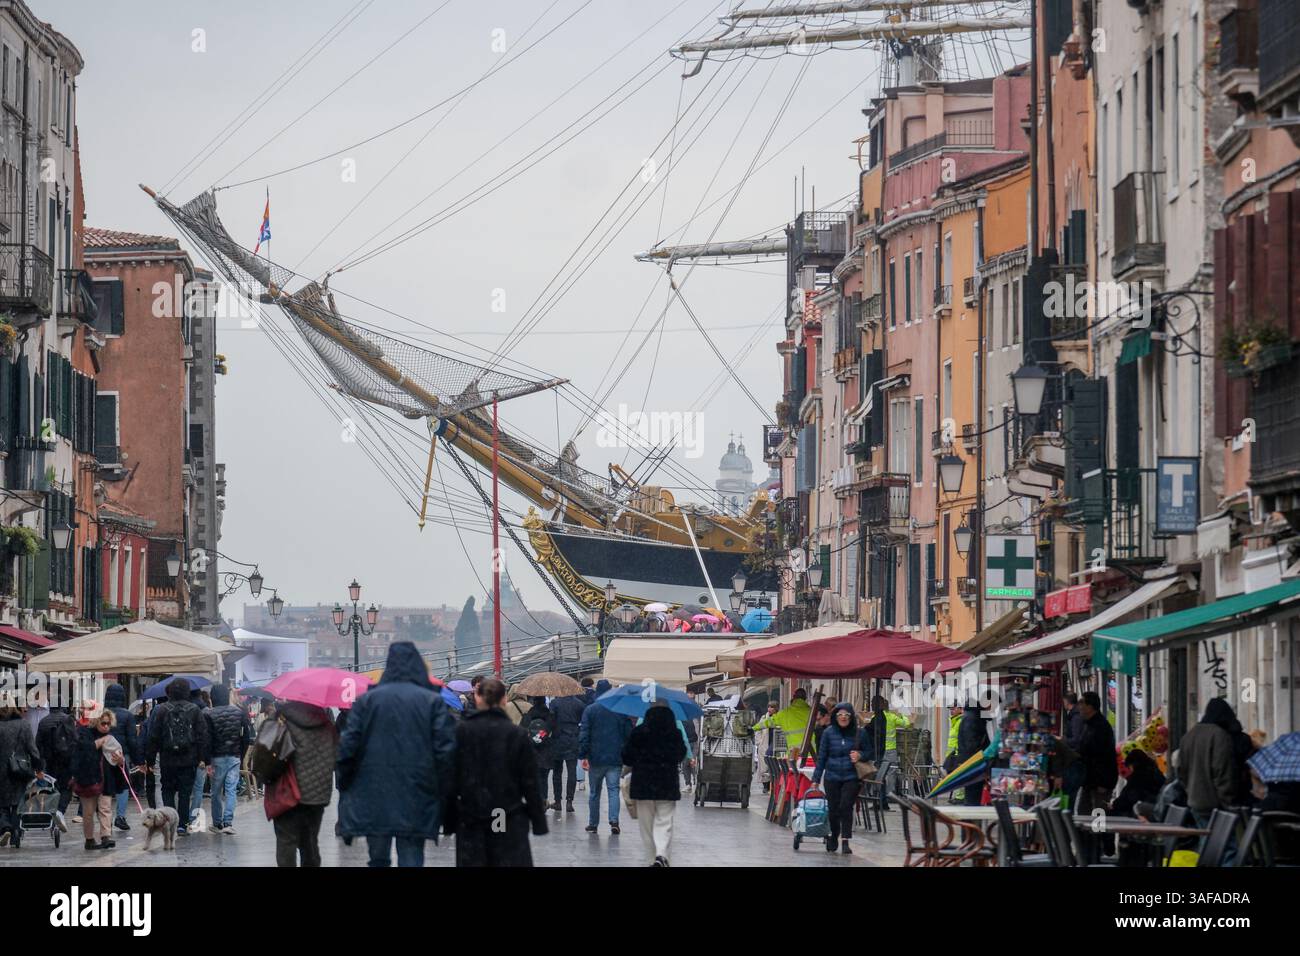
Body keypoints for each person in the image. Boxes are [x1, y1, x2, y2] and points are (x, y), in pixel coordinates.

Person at [337, 641, 456, 868]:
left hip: (374, 791)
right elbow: (445, 754)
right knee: (411, 856)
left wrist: (346, 785)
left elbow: (347, 748)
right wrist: (444, 793)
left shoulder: (366, 702)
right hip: (417, 792)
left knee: (378, 858)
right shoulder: (432, 702)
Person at [450, 677, 548, 866]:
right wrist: (538, 820)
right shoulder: (515, 735)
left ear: (477, 698)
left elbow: (451, 776)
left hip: (471, 814)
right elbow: (529, 780)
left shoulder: (462, 732)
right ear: (504, 699)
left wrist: (448, 818)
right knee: (503, 856)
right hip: (503, 812)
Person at [267, 699, 337, 867]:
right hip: (316, 795)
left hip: (285, 790)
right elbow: (335, 756)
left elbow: (265, 753)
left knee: (286, 842)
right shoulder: (326, 724)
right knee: (310, 843)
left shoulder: (280, 719)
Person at [622, 701, 687, 867]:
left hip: (643, 784)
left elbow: (627, 757)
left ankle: (651, 859)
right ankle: (661, 854)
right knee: (664, 822)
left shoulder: (638, 733)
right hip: (666, 784)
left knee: (646, 825)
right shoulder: (675, 734)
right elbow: (680, 755)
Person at [146, 678, 208, 835]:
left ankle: (169, 821)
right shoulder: (195, 710)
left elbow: (154, 737)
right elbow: (202, 736)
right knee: (185, 793)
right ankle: (182, 825)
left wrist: (150, 760)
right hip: (189, 758)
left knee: (167, 790)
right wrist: (202, 758)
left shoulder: (161, 710)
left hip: (167, 758)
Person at [810, 702, 868, 854]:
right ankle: (834, 835)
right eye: (840, 715)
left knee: (846, 807)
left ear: (851, 717)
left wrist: (860, 755)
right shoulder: (828, 733)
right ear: (835, 717)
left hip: (852, 776)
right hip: (832, 777)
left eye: (846, 715)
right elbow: (822, 757)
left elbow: (871, 752)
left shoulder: (859, 733)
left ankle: (845, 841)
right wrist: (815, 779)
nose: (843, 718)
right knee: (834, 809)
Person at [577, 679, 633, 834]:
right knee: (613, 790)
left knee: (594, 792)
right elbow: (628, 733)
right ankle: (614, 821)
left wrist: (583, 755)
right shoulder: (620, 710)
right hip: (615, 757)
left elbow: (584, 734)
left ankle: (593, 824)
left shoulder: (590, 710)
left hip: (595, 758)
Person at [1177, 697, 1241, 826]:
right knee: (1227, 844)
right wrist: (1228, 802)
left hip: (1195, 803)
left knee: (1207, 842)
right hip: (1216, 805)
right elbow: (1222, 771)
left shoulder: (1189, 735)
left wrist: (1191, 791)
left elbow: (1181, 771)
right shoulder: (1220, 736)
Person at [71, 706, 123, 851]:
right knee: (88, 812)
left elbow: (117, 758)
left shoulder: (111, 737)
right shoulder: (84, 733)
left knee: (105, 809)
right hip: (88, 779)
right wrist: (101, 741)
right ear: (96, 721)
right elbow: (83, 751)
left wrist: (120, 760)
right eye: (103, 723)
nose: (106, 726)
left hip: (106, 779)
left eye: (108, 723)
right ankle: (89, 839)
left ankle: (106, 836)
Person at [204, 684, 253, 834]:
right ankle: (228, 822)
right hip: (234, 757)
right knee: (231, 790)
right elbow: (246, 737)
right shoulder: (239, 713)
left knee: (216, 791)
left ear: (212, 697)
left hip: (216, 758)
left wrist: (207, 761)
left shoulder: (209, 715)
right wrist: (241, 753)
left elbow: (207, 740)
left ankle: (217, 823)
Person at [0, 697, 40, 847]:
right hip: (19, 769)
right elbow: (32, 749)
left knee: (2, 803)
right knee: (17, 802)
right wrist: (38, 766)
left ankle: (5, 827)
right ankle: (15, 834)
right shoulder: (23, 725)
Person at [102, 683, 140, 832]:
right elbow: (132, 740)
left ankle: (105, 817)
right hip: (121, 754)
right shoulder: (127, 715)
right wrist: (138, 760)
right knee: (123, 785)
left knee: (104, 785)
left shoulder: (100, 714)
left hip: (103, 754)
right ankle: (120, 816)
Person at [35, 706, 78, 831]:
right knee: (67, 788)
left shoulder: (43, 722)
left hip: (49, 762)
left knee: (52, 788)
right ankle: (60, 811)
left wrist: (39, 765)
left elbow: (38, 744)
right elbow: (74, 741)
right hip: (66, 761)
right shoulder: (68, 719)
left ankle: (52, 813)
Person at [1075, 691, 1118, 815]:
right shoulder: (1087, 725)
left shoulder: (1101, 727)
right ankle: (1085, 835)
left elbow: (1105, 757)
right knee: (1082, 813)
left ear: (1090, 706)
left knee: (1098, 817)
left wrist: (1103, 783)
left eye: (1081, 703)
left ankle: (1099, 835)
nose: (1079, 706)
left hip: (1100, 783)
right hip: (1088, 781)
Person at [548, 692, 587, 812]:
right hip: (573, 739)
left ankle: (558, 801)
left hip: (557, 739)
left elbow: (551, 721)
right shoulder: (579, 704)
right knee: (572, 772)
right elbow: (583, 720)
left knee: (557, 773)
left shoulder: (554, 703)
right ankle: (569, 801)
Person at [753, 689, 812, 765]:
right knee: (808, 772)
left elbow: (767, 722)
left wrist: (753, 728)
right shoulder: (811, 711)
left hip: (794, 751)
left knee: (793, 773)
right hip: (810, 751)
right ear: (805, 698)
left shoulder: (784, 713)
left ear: (794, 698)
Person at [521, 696, 558, 801]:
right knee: (543, 778)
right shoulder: (550, 716)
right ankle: (543, 799)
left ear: (534, 701)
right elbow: (554, 732)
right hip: (546, 752)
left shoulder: (528, 715)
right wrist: (541, 738)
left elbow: (521, 731)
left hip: (530, 752)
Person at [1111, 748, 1166, 818]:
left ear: (1134, 764)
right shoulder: (1155, 772)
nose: (1130, 769)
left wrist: (1114, 804)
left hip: (1144, 811)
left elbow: (1126, 797)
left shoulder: (1138, 776)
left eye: (1130, 766)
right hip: (1157, 807)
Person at [956, 703, 990, 806]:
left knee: (973, 793)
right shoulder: (973, 718)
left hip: (972, 761)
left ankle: (972, 818)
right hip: (974, 762)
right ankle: (971, 819)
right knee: (973, 794)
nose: (992, 708)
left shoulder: (972, 716)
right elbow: (971, 743)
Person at [755, 702, 779, 793]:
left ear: (776, 708)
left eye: (772, 707)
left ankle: (774, 785)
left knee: (774, 766)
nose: (769, 708)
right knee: (764, 766)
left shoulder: (779, 718)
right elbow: (758, 730)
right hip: (765, 744)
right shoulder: (764, 718)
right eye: (768, 706)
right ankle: (765, 785)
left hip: (775, 743)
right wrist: (759, 742)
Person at [943, 704, 963, 773]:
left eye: (953, 709)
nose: (951, 711)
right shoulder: (954, 722)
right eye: (950, 709)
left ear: (961, 709)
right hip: (951, 757)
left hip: (957, 757)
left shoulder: (961, 721)